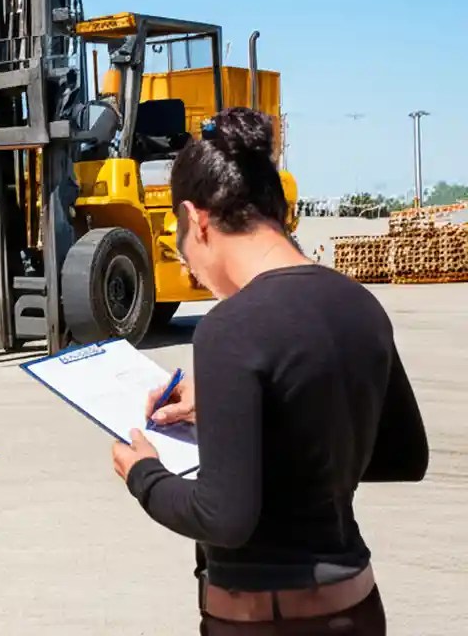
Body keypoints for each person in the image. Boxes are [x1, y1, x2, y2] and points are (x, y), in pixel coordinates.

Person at [109, 107, 429, 635]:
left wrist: (143, 473)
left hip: (267, 621)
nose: (186, 260)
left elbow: (223, 519)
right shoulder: (359, 304)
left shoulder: (229, 329)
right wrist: (252, 419)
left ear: (198, 219)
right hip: (359, 608)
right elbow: (403, 455)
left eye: (178, 239)